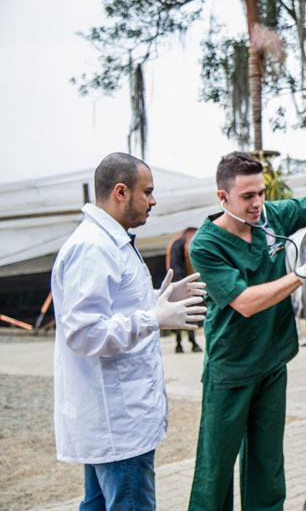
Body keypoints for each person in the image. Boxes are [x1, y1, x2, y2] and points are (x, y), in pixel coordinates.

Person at [187, 152, 306, 510]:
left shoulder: (271, 217)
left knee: (267, 465)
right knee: (215, 469)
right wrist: (301, 274)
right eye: (247, 196)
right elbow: (245, 302)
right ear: (223, 197)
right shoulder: (205, 245)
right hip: (231, 370)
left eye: (261, 192)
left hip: (272, 364)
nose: (258, 203)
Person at [51, 152, 207, 510]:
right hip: (117, 422)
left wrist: (161, 298)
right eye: (147, 191)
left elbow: (117, 304)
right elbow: (85, 333)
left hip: (116, 420)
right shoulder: (94, 247)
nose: (153, 201)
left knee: (96, 503)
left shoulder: (112, 240)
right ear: (121, 192)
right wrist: (153, 319)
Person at [166, 227, 203, 353]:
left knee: (177, 305)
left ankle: (179, 343)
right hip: (186, 280)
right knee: (188, 306)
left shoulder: (175, 242)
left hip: (175, 279)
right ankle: (193, 342)